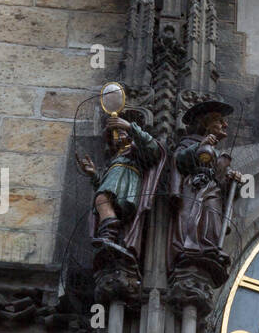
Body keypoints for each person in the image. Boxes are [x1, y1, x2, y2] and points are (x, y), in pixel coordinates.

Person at [169, 99, 243, 270]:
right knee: (193, 215)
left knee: (211, 216)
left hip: (213, 190)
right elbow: (178, 160)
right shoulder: (189, 143)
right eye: (219, 120)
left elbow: (224, 182)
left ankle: (209, 248)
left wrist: (233, 180)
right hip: (193, 187)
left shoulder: (220, 154)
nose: (225, 124)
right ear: (207, 124)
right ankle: (190, 247)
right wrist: (199, 147)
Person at [77, 116, 160, 261]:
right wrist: (94, 174)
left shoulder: (135, 151)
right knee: (102, 200)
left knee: (103, 199)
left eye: (122, 131)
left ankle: (109, 237)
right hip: (116, 184)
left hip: (129, 184)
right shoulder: (114, 159)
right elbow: (103, 184)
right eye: (115, 132)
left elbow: (153, 149)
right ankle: (108, 238)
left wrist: (130, 126)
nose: (119, 134)